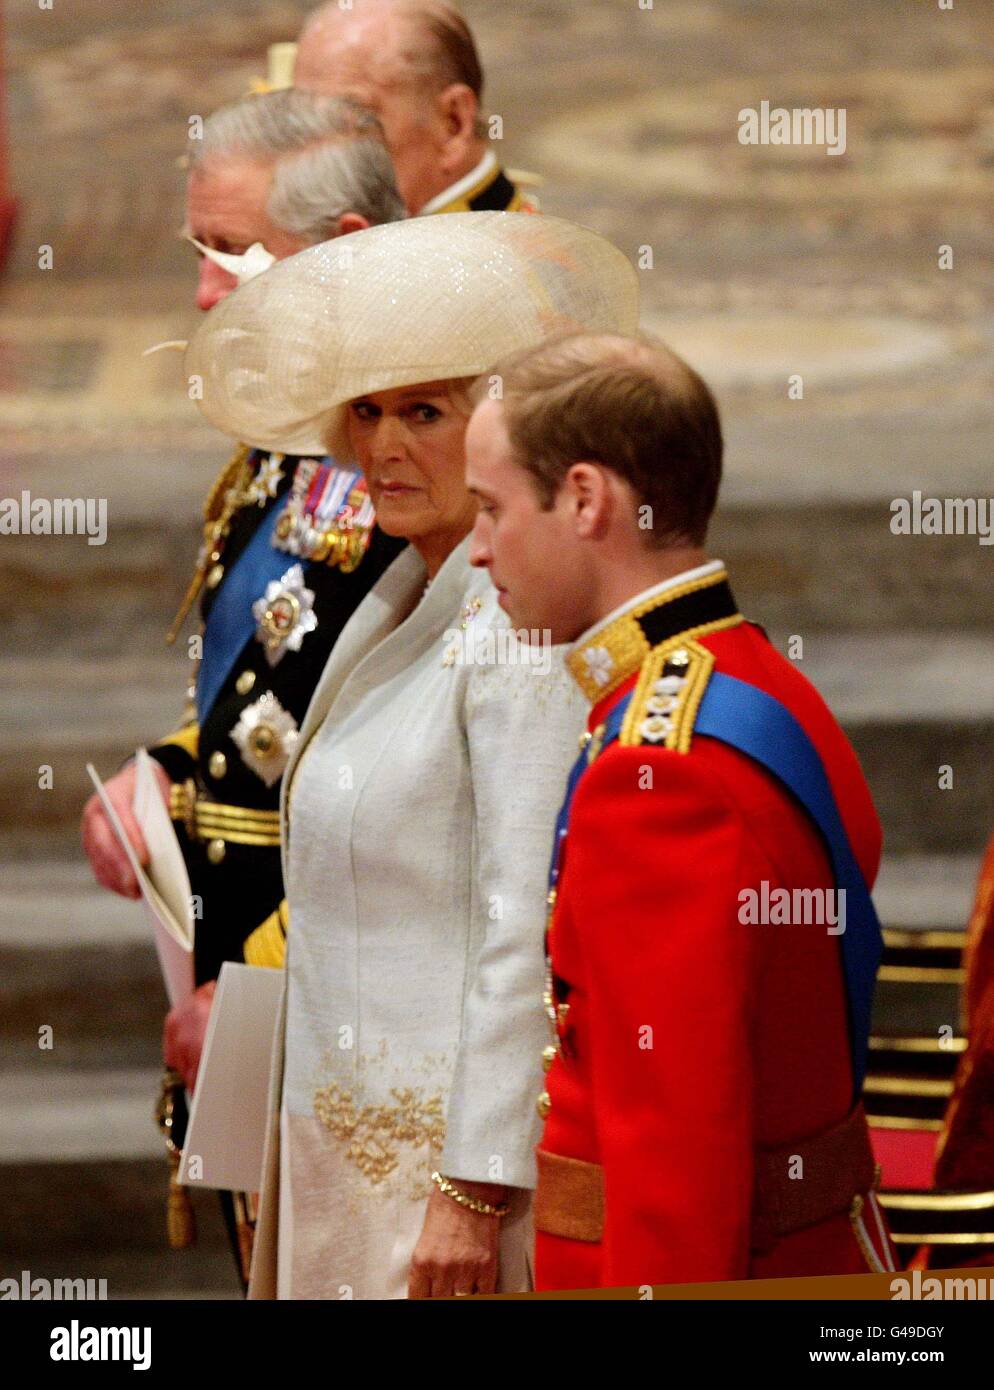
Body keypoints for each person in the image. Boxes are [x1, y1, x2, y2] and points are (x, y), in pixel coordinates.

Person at [184, 211, 638, 1298]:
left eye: (424, 412)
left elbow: (520, 927)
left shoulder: (515, 629)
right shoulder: (394, 598)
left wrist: (473, 1189)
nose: (383, 446)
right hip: (342, 1150)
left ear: (493, 425)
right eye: (370, 411)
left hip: (441, 1185)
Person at [463, 331, 898, 1288]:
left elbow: (677, 1161)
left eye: (492, 508)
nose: (480, 548)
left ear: (584, 500)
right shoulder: (760, 679)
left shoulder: (656, 777)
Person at [79, 88, 406, 1281]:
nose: (207, 292)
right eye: (198, 252)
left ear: (347, 252)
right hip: (246, 999)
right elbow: (276, 691)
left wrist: (273, 988)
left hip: (360, 1035)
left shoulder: (430, 470)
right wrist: (167, 771)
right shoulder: (292, 429)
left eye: (233, 254)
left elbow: (427, 801)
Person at [294, 0, 539, 215]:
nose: (310, 159)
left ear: (455, 123)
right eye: (306, 119)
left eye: (351, 120)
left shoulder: (513, 261)